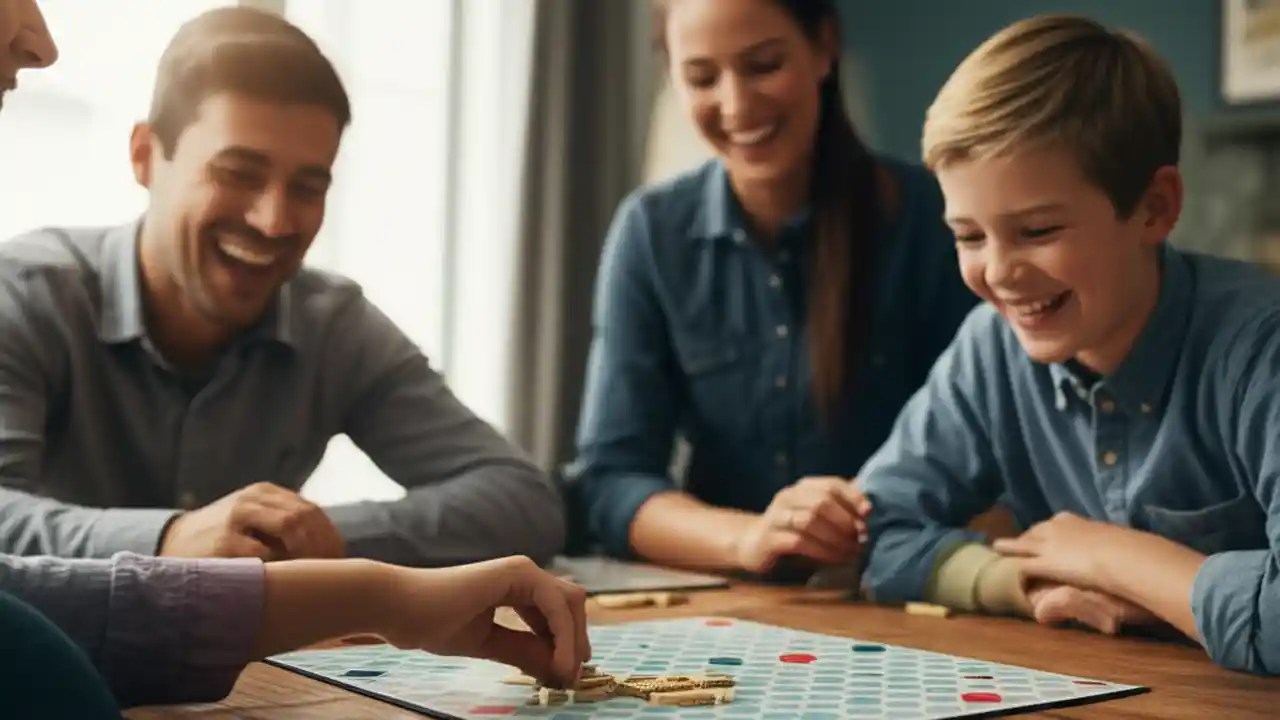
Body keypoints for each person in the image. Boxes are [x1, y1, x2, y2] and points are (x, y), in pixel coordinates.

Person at [0, 1, 588, 715]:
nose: (275, 220)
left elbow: (521, 499)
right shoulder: (25, 297)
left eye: (308, 187)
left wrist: (313, 542)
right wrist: (170, 537)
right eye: (239, 172)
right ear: (145, 156)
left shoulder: (332, 322)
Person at [859, 14, 1280, 675]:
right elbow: (874, 534)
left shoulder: (1261, 351)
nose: (997, 273)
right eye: (969, 237)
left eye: (1037, 230)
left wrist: (1123, 561)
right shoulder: (991, 349)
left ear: (1154, 207)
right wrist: (1026, 585)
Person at [567, 0, 976, 576]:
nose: (736, 105)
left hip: (898, 586)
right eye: (702, 77)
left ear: (824, 48)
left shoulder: (936, 221)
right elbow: (610, 481)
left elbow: (990, 466)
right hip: (723, 592)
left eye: (762, 65)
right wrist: (750, 538)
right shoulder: (651, 232)